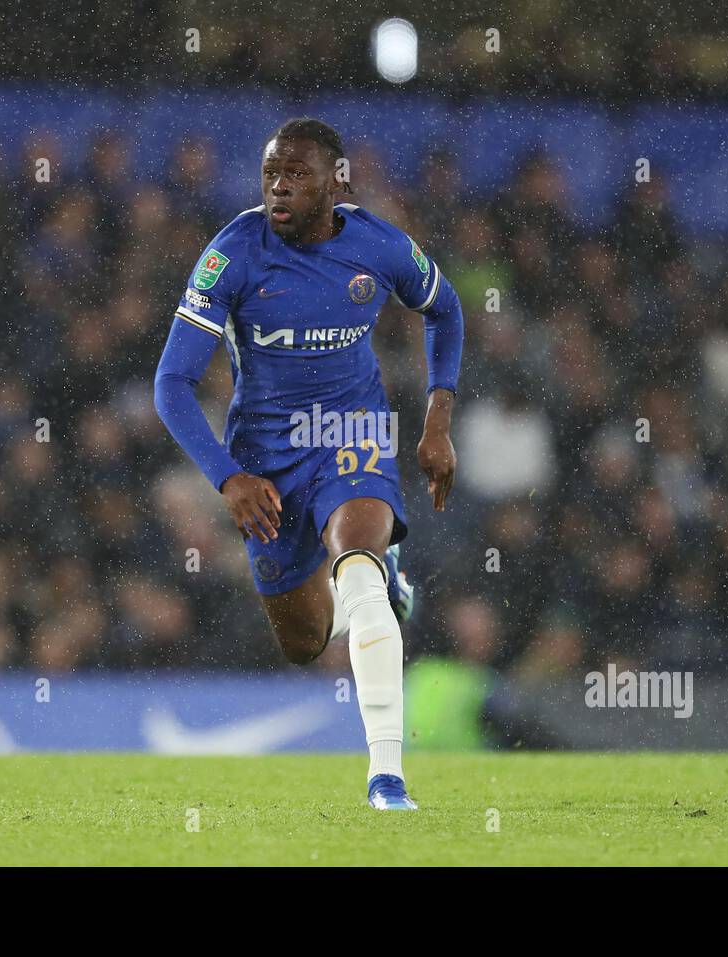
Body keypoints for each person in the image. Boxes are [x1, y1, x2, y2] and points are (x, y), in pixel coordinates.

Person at [153, 118, 464, 810]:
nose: (279, 186)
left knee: (357, 563)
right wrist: (229, 477)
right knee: (304, 639)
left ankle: (387, 777)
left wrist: (437, 420)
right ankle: (385, 593)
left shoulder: (378, 245)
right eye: (270, 174)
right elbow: (170, 384)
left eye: (296, 174)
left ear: (337, 179)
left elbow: (445, 308)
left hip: (353, 431)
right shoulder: (232, 254)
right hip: (265, 460)